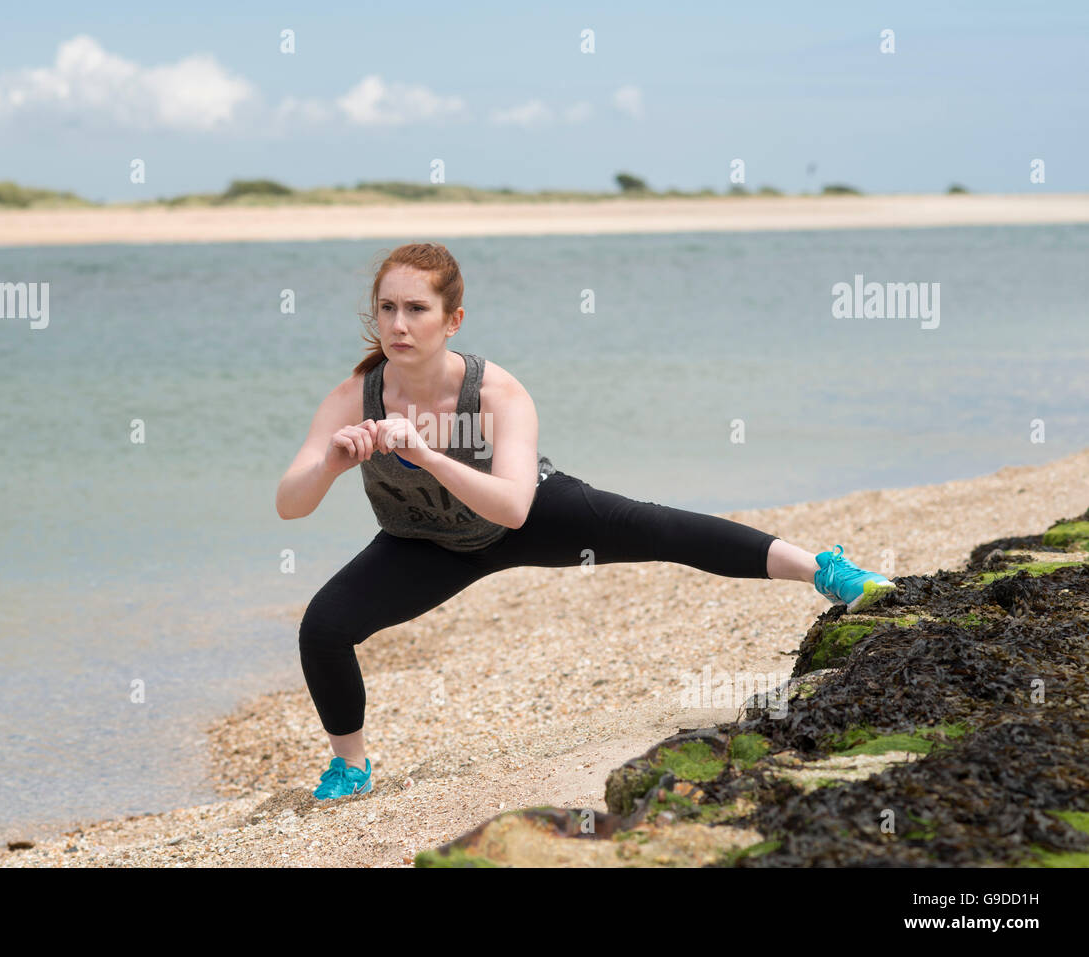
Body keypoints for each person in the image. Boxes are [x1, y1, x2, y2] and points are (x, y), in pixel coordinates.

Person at [274, 242, 894, 801]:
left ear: (452, 320)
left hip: (533, 514)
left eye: (416, 309)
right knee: (324, 628)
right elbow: (290, 504)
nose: (398, 324)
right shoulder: (356, 394)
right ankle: (351, 767)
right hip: (425, 542)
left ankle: (826, 570)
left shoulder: (496, 393)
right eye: (387, 308)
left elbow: (513, 508)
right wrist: (330, 462)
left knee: (660, 529)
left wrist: (427, 455)